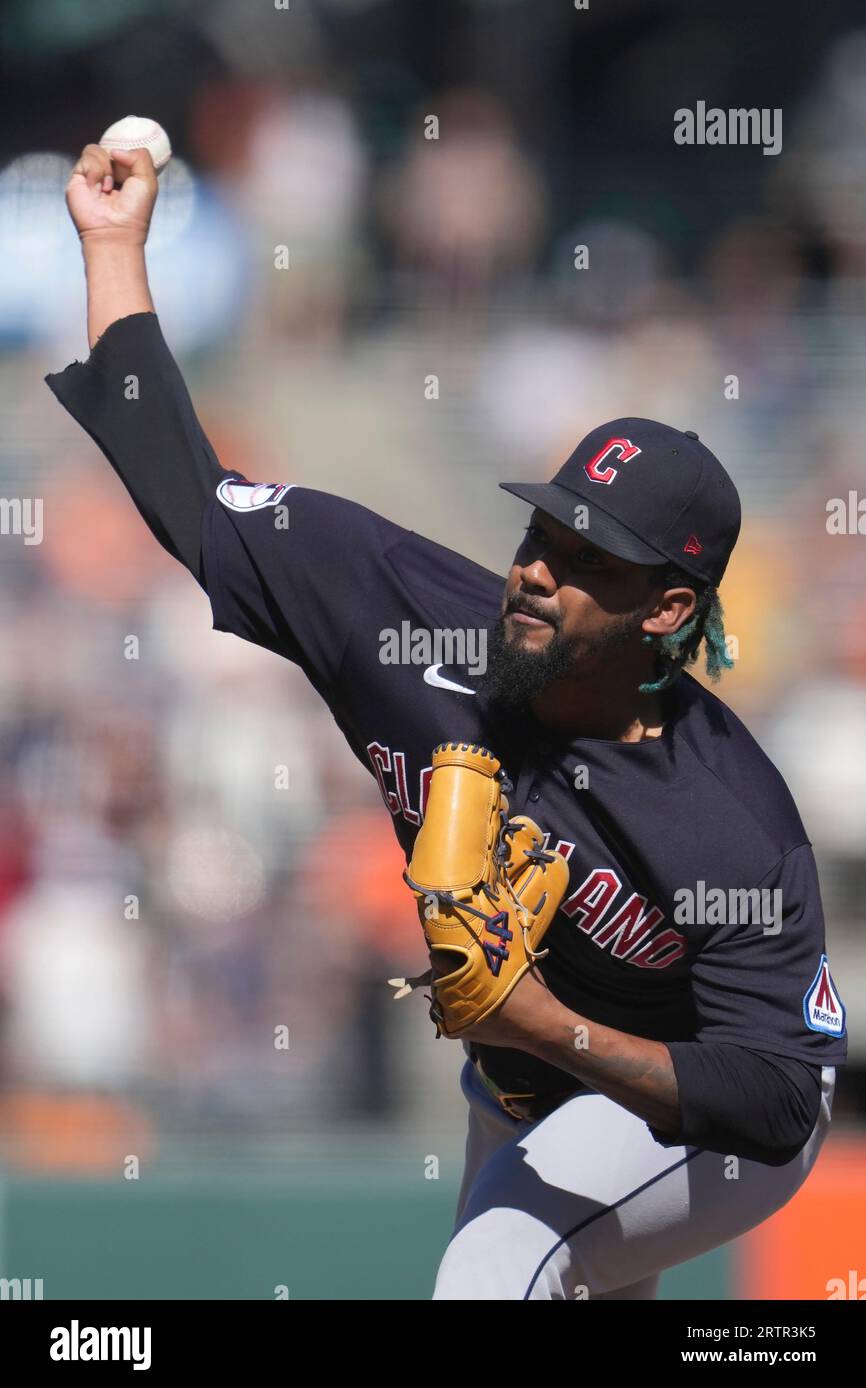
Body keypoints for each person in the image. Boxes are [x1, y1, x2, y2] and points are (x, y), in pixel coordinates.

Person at [46, 142, 847, 1301]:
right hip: (517, 1087)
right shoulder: (397, 610)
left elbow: (773, 1100)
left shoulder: (729, 822)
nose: (536, 570)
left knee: (495, 1264)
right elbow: (192, 502)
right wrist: (114, 249)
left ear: (667, 608)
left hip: (701, 1119)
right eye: (542, 535)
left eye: (586, 562)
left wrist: (539, 1022)